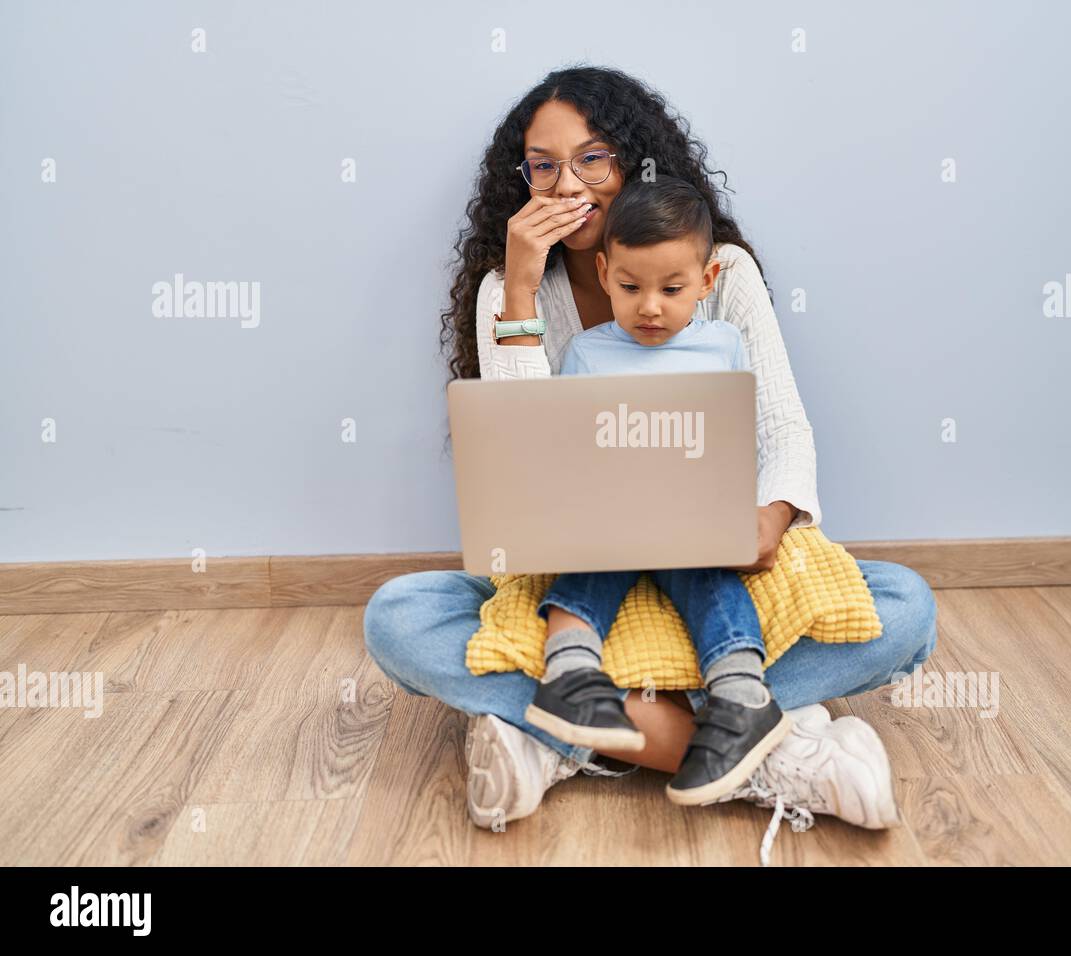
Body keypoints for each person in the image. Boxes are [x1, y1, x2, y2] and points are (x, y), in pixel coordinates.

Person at [364, 66, 938, 854]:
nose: (569, 183)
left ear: (632, 162)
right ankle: (752, 751)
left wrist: (766, 524)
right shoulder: (510, 286)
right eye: (544, 164)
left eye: (592, 159)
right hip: (576, 577)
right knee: (398, 616)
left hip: (716, 564)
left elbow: (782, 427)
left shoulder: (722, 272)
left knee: (905, 605)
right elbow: (522, 461)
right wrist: (523, 291)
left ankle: (567, 739)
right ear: (524, 178)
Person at [525, 176, 793, 807]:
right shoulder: (586, 353)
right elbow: (558, 447)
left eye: (672, 290)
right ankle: (569, 674)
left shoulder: (723, 344)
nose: (650, 307)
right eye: (629, 287)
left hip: (693, 519)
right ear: (604, 270)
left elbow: (745, 435)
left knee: (707, 574)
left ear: (707, 281)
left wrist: (748, 510)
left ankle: (741, 695)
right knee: (595, 557)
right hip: (611, 519)